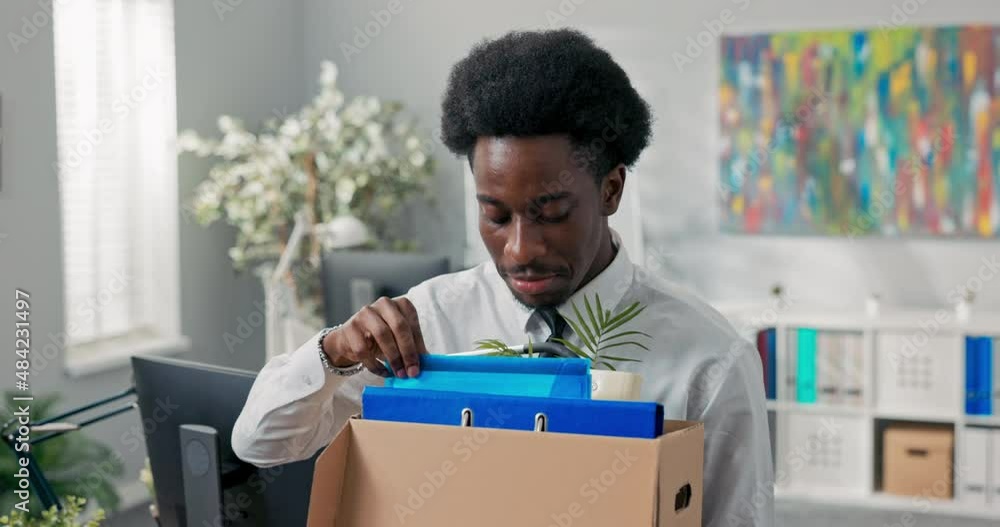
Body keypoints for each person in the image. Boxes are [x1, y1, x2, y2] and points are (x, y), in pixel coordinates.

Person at [233, 28, 773, 526]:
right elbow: (262, 443)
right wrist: (332, 352)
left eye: (552, 212)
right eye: (496, 215)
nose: (520, 249)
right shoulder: (428, 321)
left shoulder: (710, 360)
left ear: (611, 191)